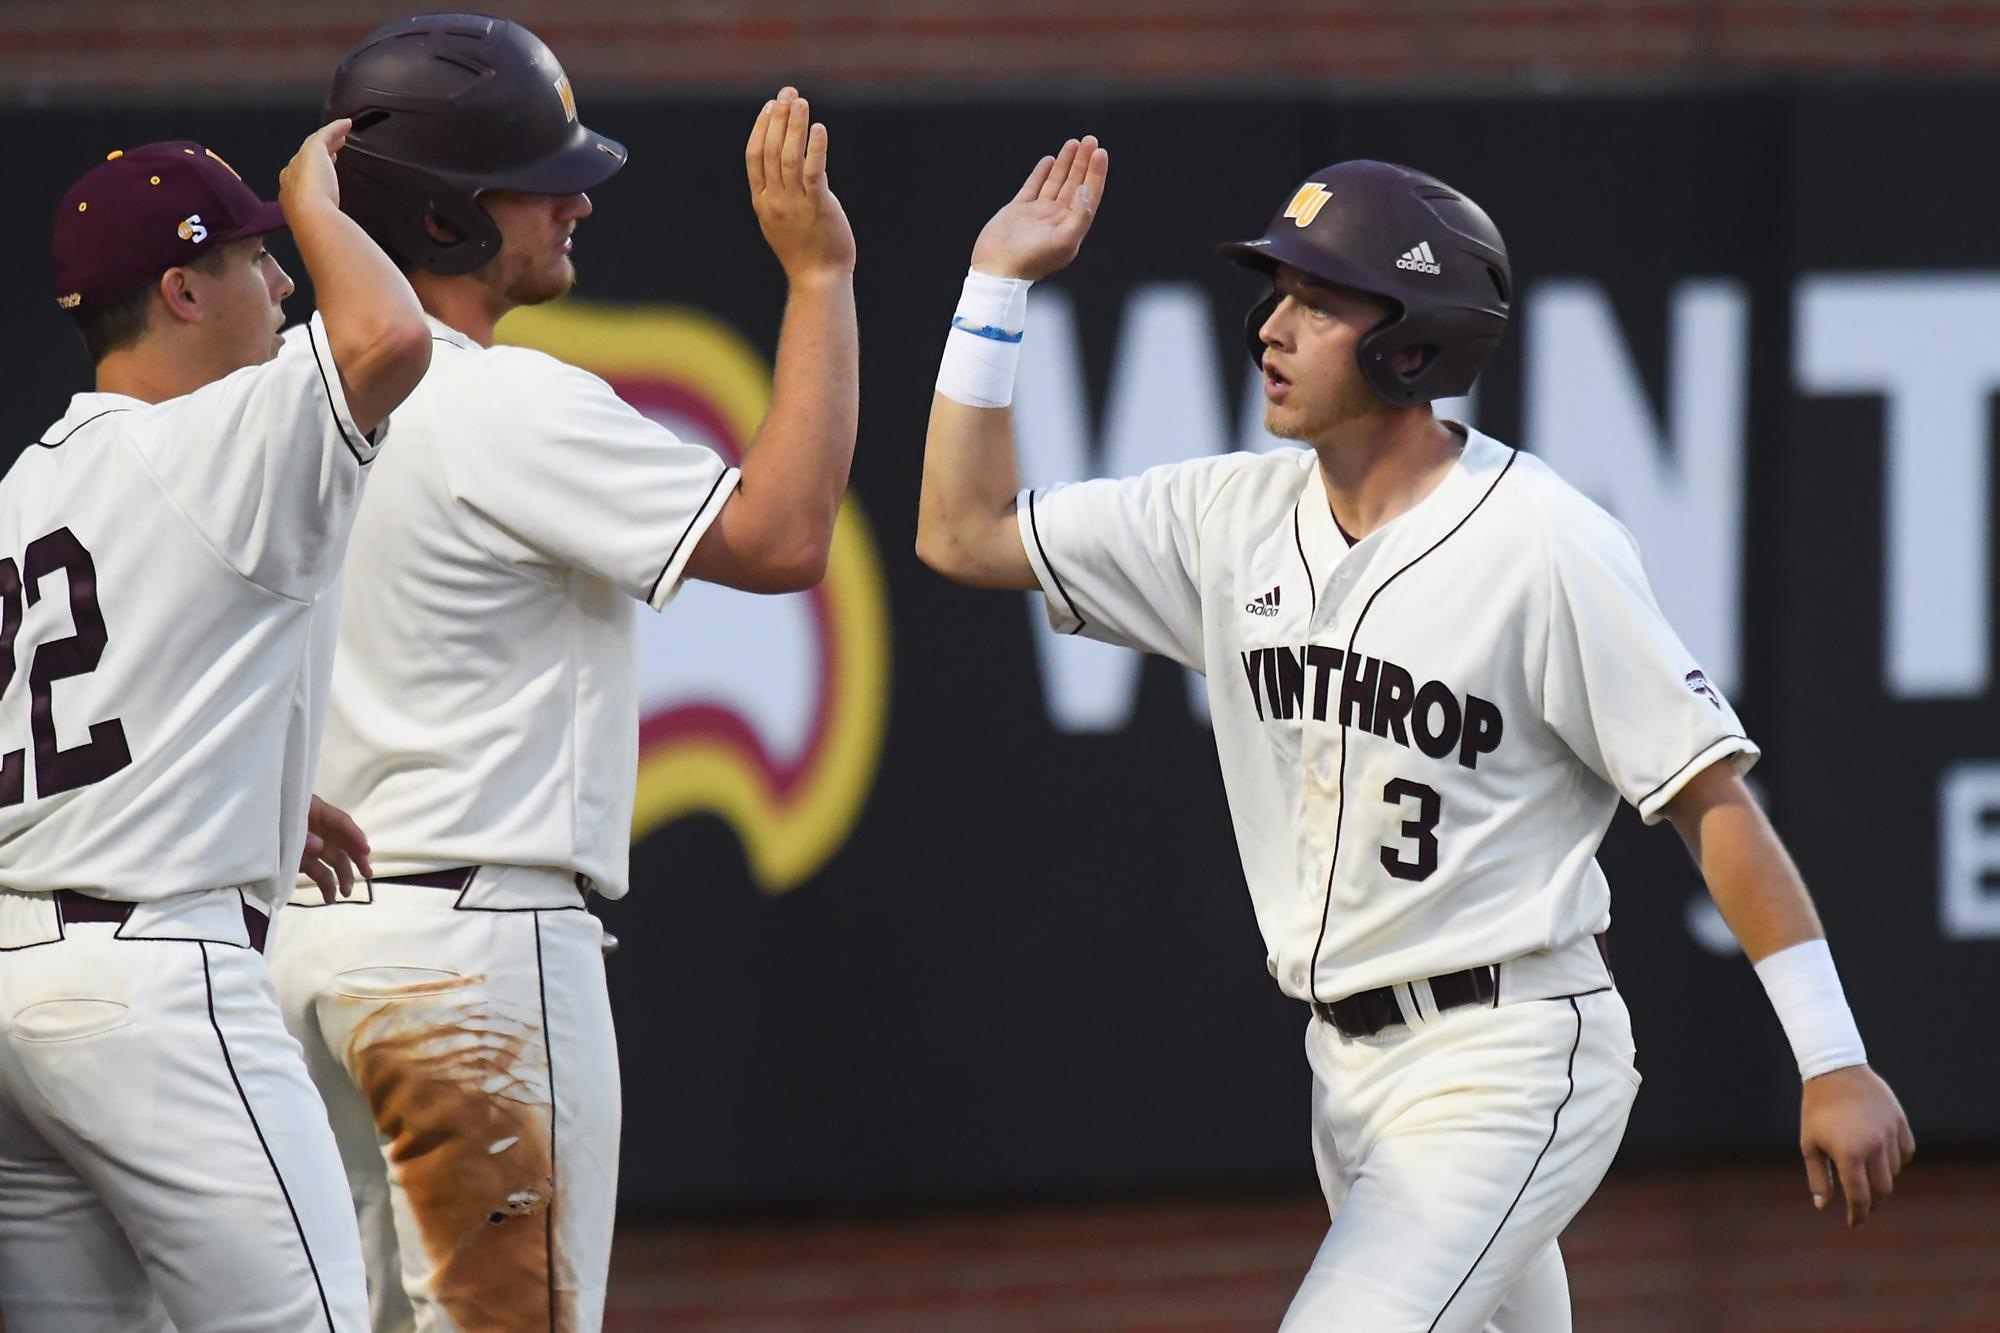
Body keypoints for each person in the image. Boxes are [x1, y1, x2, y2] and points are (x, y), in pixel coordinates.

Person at [914, 141, 1916, 1330]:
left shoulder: (1541, 540)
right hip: (1344, 1072)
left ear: (1412, 341)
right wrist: (995, 285)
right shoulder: (1226, 518)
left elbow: (1711, 802)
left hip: (1505, 1056)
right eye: (1275, 294)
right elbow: (960, 532)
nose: (1273, 329)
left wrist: (1830, 1054)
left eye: (1317, 302)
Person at [264, 14, 858, 1330]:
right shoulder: (495, 400)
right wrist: (819, 280)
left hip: (299, 950)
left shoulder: (267, 397)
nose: (577, 201)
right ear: (445, 219)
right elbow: (786, 535)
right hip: (471, 949)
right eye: (538, 184)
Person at [0, 124, 430, 1329]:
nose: (286, 282)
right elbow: (389, 338)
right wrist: (314, 201)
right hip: (159, 987)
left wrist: (239, 790)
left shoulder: (23, 491)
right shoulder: (215, 436)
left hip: (17, 993)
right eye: (256, 256)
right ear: (182, 289)